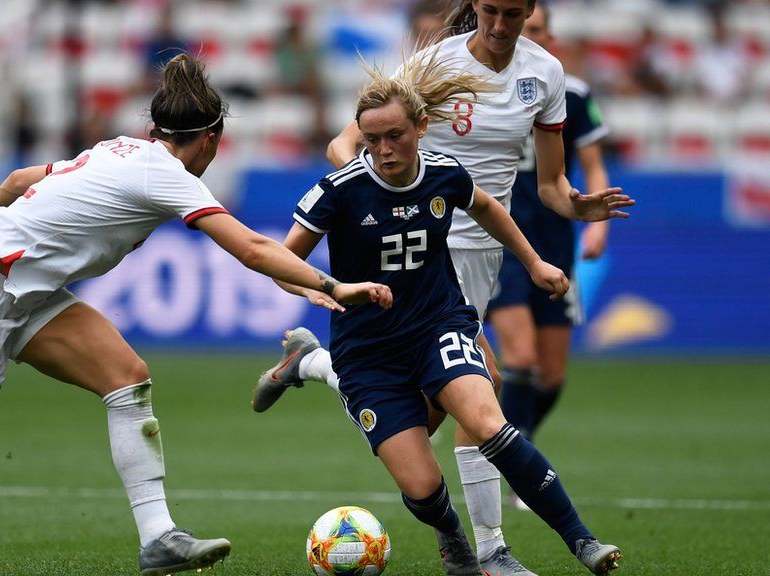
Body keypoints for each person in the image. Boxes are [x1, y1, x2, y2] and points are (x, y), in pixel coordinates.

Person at [0, 53, 392, 576]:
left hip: (21, 290)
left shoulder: (120, 147)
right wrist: (335, 284)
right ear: (212, 140)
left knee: (127, 377)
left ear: (154, 131)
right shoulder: (164, 174)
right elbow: (251, 248)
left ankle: (159, 538)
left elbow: (19, 180)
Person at [253, 2, 632, 575]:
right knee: (485, 390)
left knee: (440, 410)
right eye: (491, 12)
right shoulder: (432, 66)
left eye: (515, 15)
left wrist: (576, 210)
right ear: (475, 6)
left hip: (481, 246)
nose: (502, 27)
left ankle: (316, 365)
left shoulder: (545, 75)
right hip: (425, 245)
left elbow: (550, 184)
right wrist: (378, 185)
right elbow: (346, 146)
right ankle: (491, 549)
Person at [489, 3, 611, 488]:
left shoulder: (571, 93)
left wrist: (599, 224)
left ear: (548, 35)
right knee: (518, 357)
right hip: (498, 239)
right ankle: (514, 467)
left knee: (551, 375)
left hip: (555, 239)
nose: (524, 35)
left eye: (534, 28)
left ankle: (513, 443)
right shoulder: (478, 81)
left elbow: (594, 164)